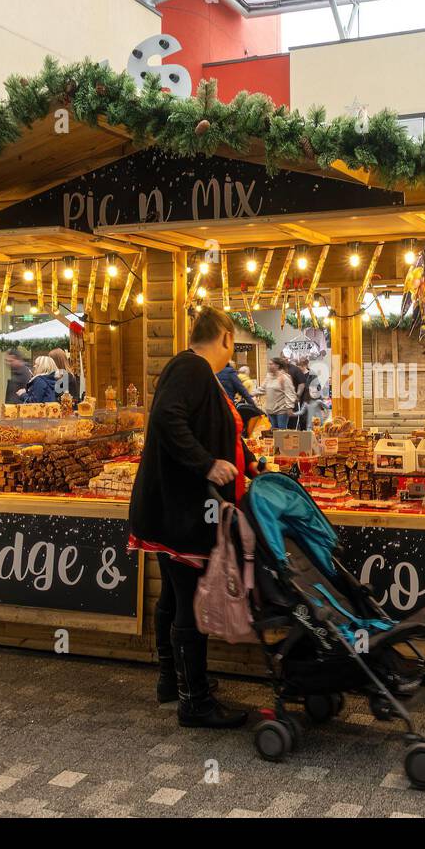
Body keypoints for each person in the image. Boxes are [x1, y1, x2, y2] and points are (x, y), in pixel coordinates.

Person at [129, 307, 260, 729]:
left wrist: (250, 464)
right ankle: (194, 702)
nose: (232, 351)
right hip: (183, 509)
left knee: (172, 594)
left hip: (175, 507)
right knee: (187, 599)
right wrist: (205, 464)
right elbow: (168, 418)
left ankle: (174, 681)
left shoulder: (190, 370)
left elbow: (209, 428)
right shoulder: (191, 368)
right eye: (233, 342)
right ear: (224, 336)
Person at [257, 358, 297, 429]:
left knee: (281, 433)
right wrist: (249, 394)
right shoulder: (268, 377)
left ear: (277, 366)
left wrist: (289, 407)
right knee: (272, 432)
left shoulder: (284, 377)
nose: (268, 366)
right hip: (270, 410)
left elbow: (290, 393)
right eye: (268, 364)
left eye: (271, 364)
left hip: (281, 410)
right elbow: (262, 389)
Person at [282, 356, 309, 428]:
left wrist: (298, 395)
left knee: (293, 423)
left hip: (293, 401)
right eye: (283, 357)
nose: (285, 359)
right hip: (281, 403)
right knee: (281, 426)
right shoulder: (278, 370)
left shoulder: (295, 369)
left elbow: (302, 383)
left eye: (287, 357)